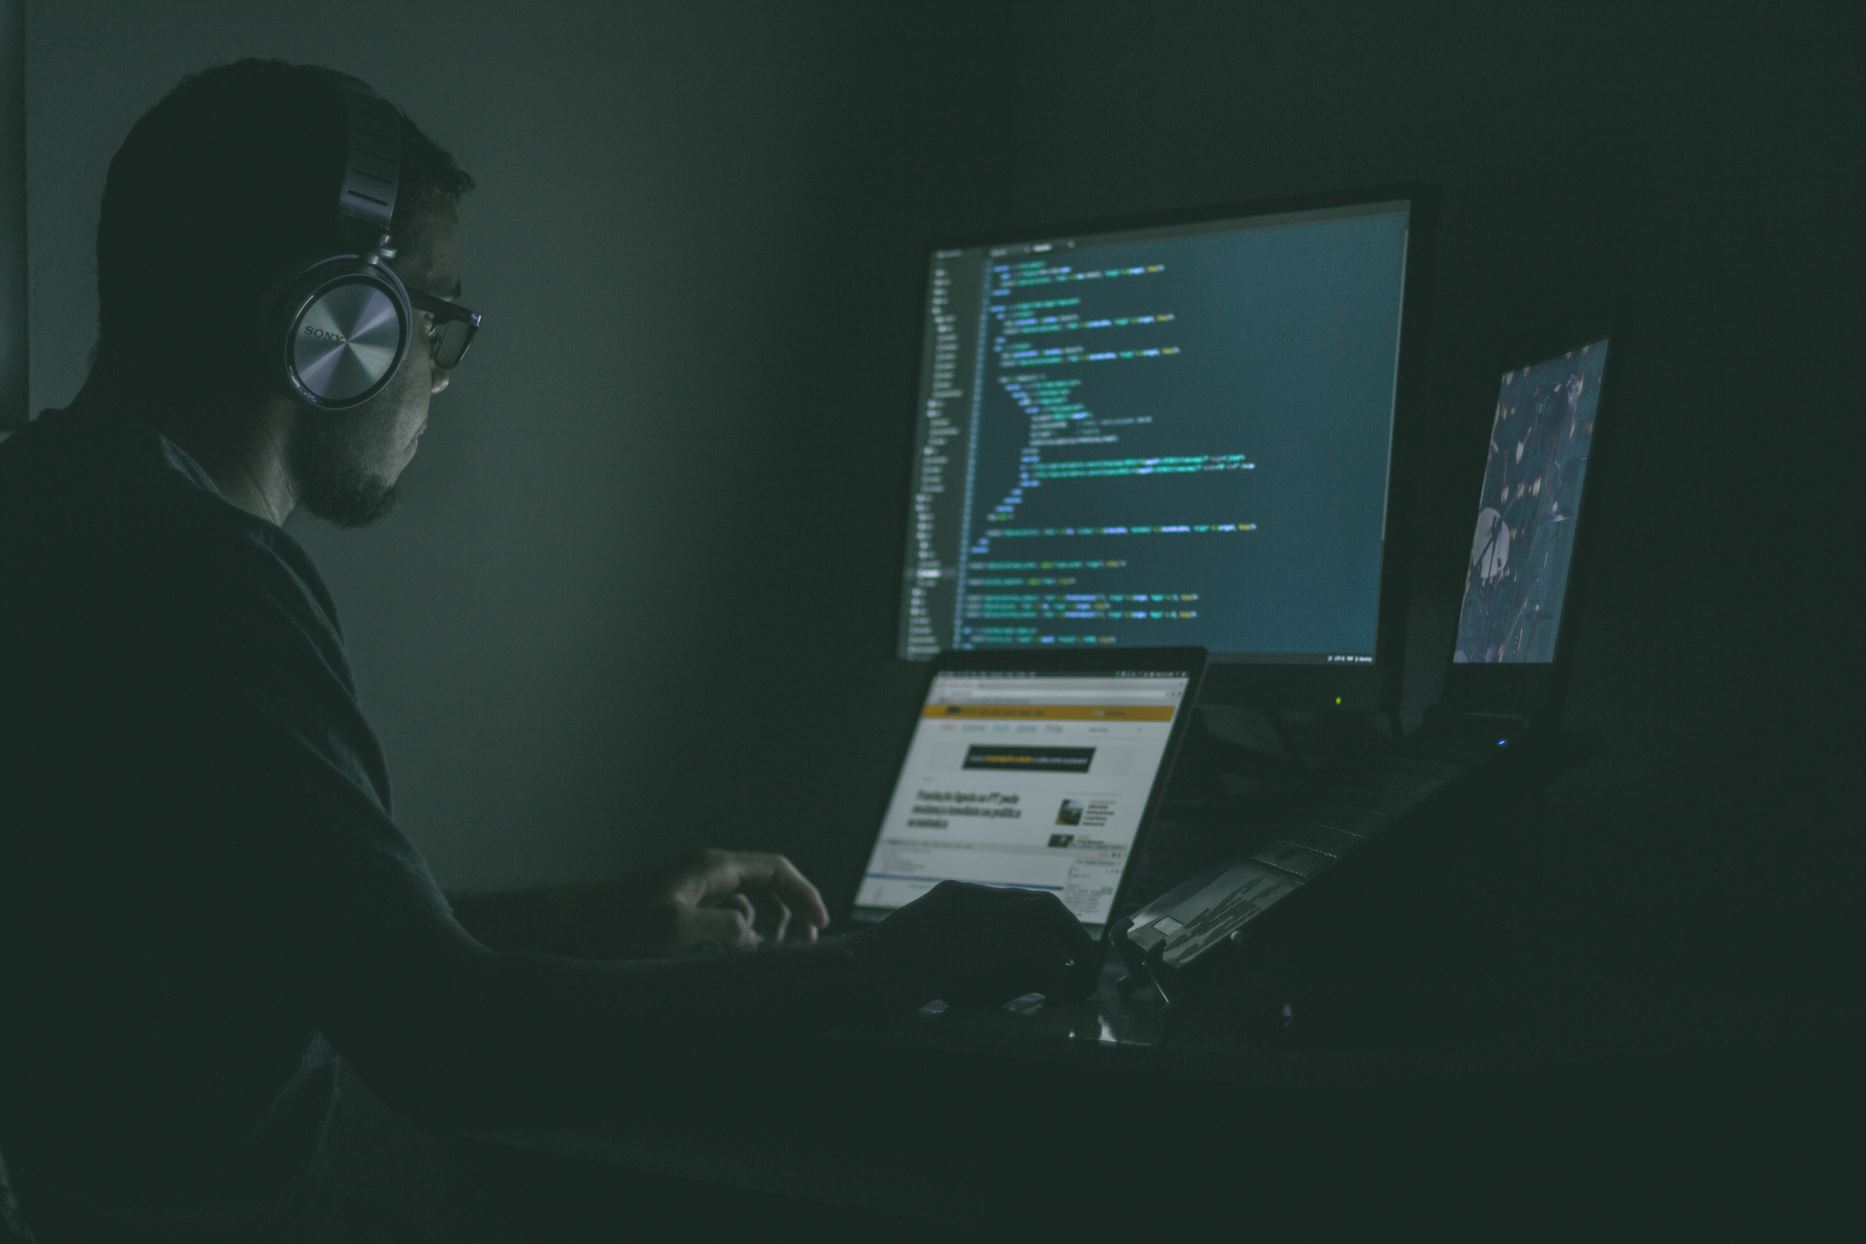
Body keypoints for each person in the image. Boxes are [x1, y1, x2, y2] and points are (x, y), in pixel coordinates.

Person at [0, 59, 1094, 1243]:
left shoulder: (49, 505)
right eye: (436, 315)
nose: (436, 374)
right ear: (337, 325)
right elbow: (452, 1047)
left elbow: (287, 939)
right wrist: (886, 967)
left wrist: (593, 917)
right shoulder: (205, 576)